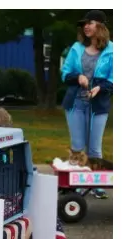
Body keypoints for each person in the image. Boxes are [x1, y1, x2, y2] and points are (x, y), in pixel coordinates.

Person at [61, 10, 113, 199]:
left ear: (101, 26)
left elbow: (114, 79)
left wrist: (99, 88)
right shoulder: (76, 48)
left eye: (90, 22)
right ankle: (80, 183)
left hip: (98, 106)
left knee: (94, 147)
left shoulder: (112, 51)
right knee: (77, 145)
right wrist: (78, 77)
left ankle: (96, 185)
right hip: (76, 103)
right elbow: (65, 74)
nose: (86, 26)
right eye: (84, 24)